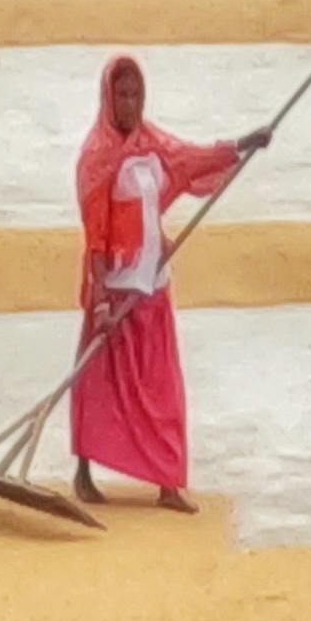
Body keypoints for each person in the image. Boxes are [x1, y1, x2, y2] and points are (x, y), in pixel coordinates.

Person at [66, 56, 263, 513]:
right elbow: (96, 235)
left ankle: (168, 483)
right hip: (116, 289)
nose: (130, 104)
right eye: (122, 95)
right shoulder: (96, 157)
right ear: (108, 98)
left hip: (151, 283)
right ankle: (84, 473)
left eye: (136, 95)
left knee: (162, 386)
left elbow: (192, 158)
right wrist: (100, 301)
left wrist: (241, 145)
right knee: (98, 385)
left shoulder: (153, 143)